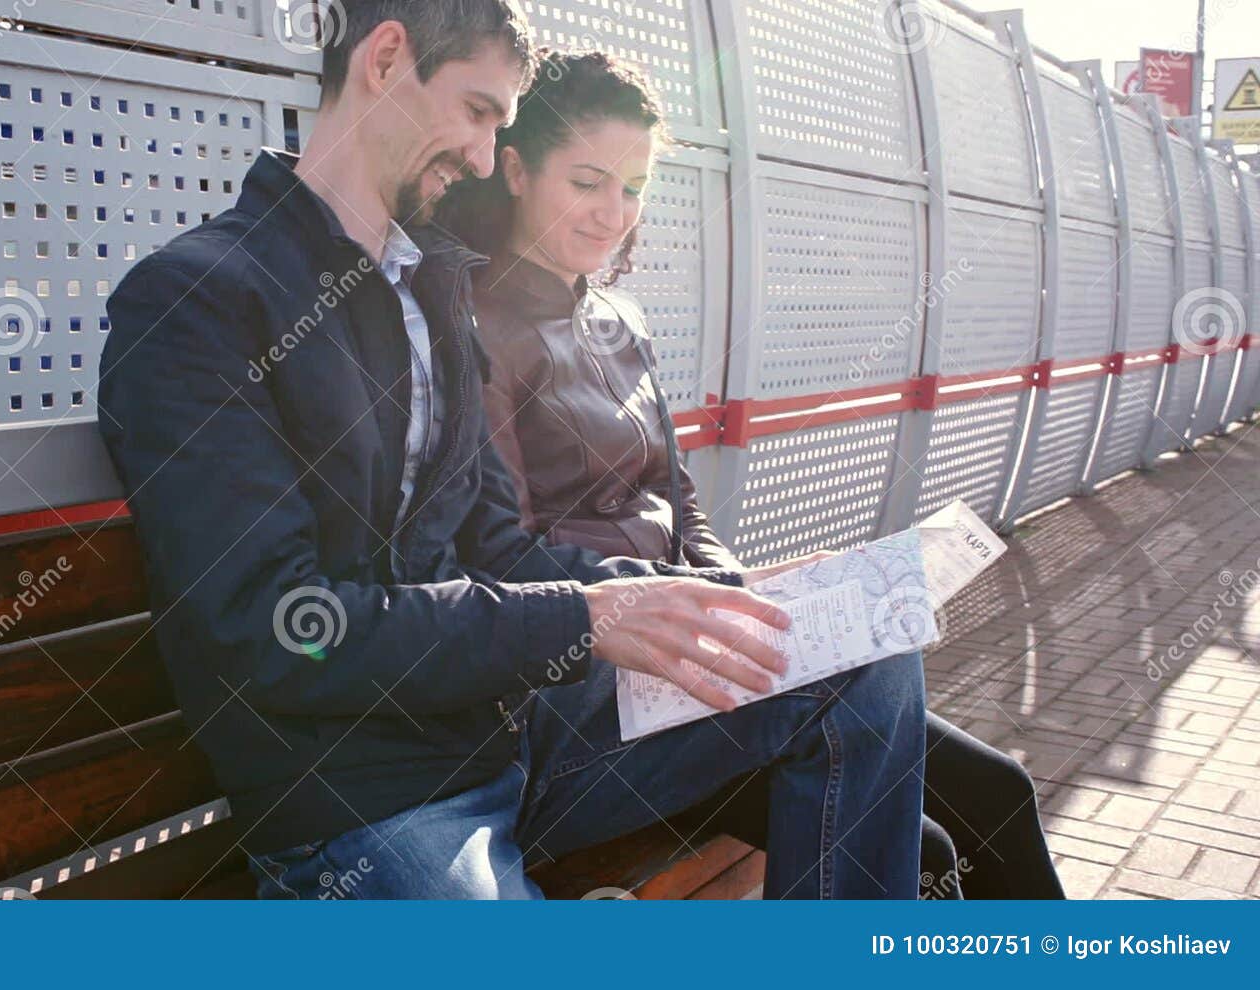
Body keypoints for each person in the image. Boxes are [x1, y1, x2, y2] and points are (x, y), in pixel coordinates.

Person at [97, 0, 926, 899]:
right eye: (480, 111)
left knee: (864, 658)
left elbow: (494, 544)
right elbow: (274, 628)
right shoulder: (199, 299)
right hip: (364, 797)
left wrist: (696, 603)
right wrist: (583, 618)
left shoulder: (430, 289)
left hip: (516, 737)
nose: (487, 158)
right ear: (384, 59)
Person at [438, 48, 1064, 899]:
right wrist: (685, 604)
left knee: (997, 791)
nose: (612, 213)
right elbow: (500, 552)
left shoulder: (617, 318)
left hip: (679, 668)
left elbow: (680, 501)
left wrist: (734, 585)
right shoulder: (470, 328)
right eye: (586, 182)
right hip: (578, 694)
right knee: (902, 767)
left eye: (632, 187)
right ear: (514, 169)